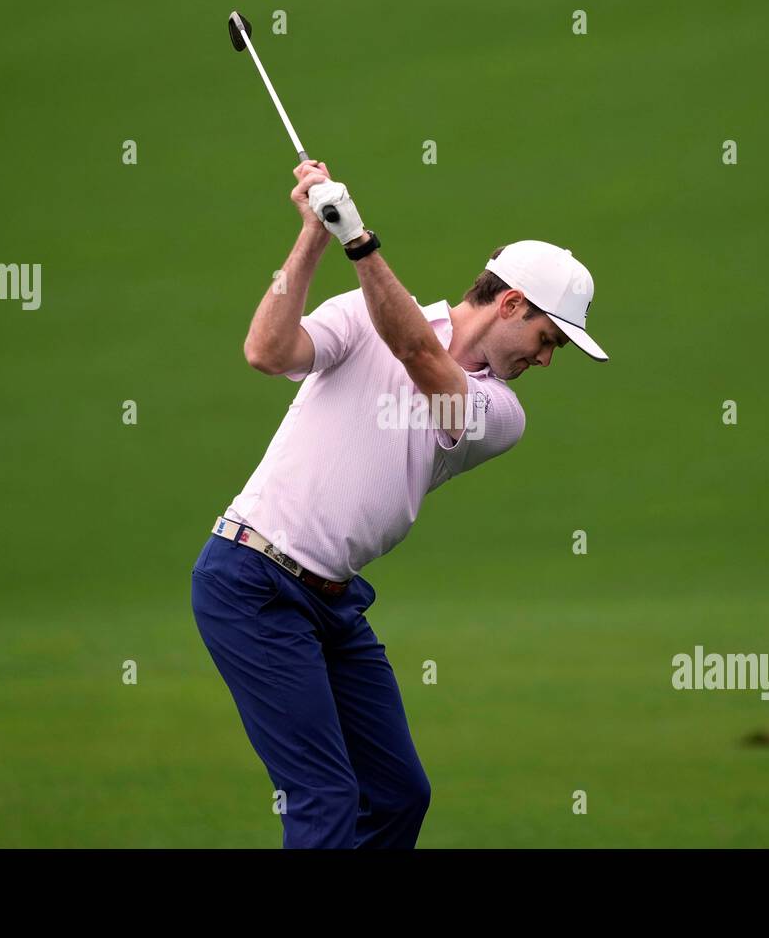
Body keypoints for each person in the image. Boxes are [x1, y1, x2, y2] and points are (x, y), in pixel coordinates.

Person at [190, 159, 608, 847]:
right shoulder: (359, 312)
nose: (547, 359)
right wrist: (315, 239)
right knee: (323, 797)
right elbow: (267, 350)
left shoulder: (500, 413)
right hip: (250, 582)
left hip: (332, 603)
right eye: (547, 338)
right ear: (511, 305)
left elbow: (417, 352)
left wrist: (361, 242)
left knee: (397, 796)